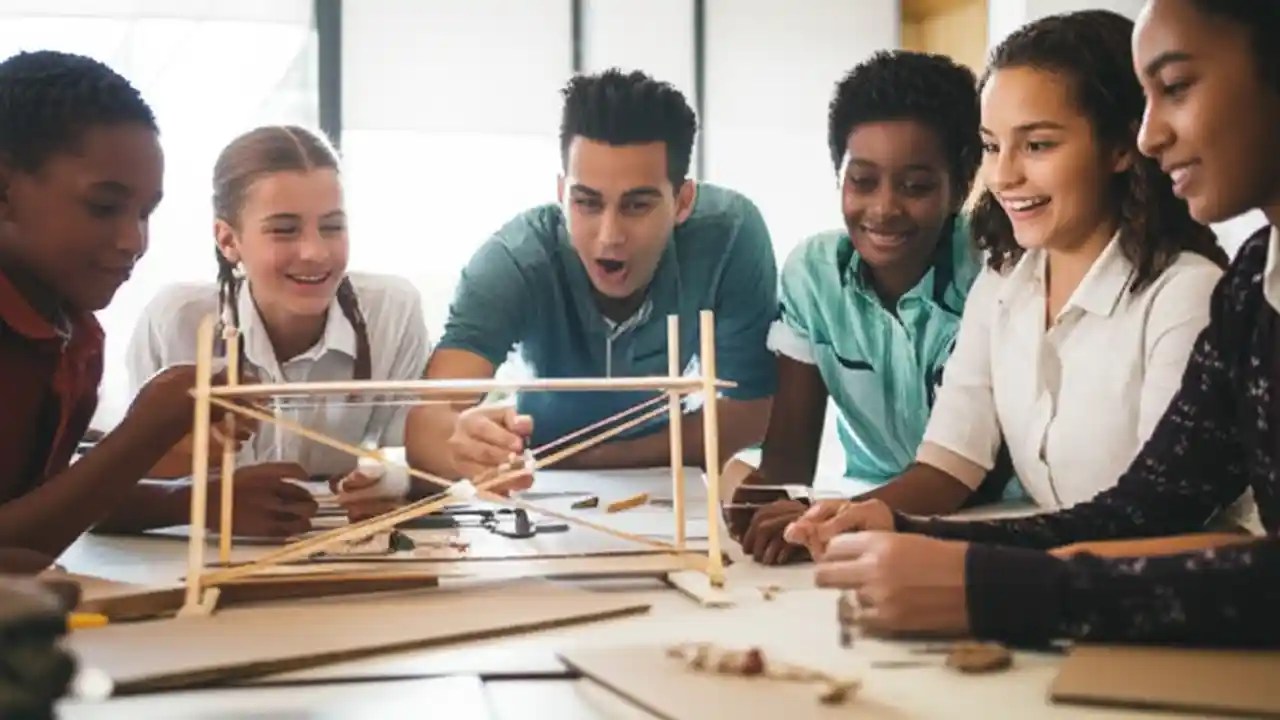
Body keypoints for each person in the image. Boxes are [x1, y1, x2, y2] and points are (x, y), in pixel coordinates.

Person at [790, 0, 1280, 647]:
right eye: (994, 146)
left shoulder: (1193, 290)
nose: (1151, 136)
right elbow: (1144, 507)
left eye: (1178, 88)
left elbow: (1193, 538)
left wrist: (992, 586)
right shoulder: (1253, 282)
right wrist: (906, 529)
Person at [405, 69, 777, 482]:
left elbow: (749, 414)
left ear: (683, 202)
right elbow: (427, 422)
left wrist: (584, 460)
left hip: (660, 480)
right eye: (587, 203)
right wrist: (463, 450)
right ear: (563, 194)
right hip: (536, 482)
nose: (609, 237)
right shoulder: (516, 259)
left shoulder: (730, 236)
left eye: (637, 205)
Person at [731, 51, 991, 565]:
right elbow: (790, 459)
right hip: (871, 518)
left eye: (916, 187)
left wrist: (843, 516)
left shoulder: (994, 270)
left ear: (961, 184)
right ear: (838, 176)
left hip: (992, 524)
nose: (884, 208)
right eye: (862, 181)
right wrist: (759, 499)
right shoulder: (813, 273)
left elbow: (981, 472)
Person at [118, 126, 432, 535]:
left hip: (338, 550)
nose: (315, 252)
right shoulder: (176, 322)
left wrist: (385, 482)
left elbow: (409, 455)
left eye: (332, 227)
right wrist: (189, 465)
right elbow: (119, 483)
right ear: (228, 240)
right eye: (284, 229)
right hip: (193, 555)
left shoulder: (393, 310)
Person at [0, 50, 224, 558]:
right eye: (103, 207)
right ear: (5, 189)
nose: (133, 241)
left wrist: (200, 499)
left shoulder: (74, 333)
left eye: (145, 213)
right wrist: (144, 432)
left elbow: (45, 502)